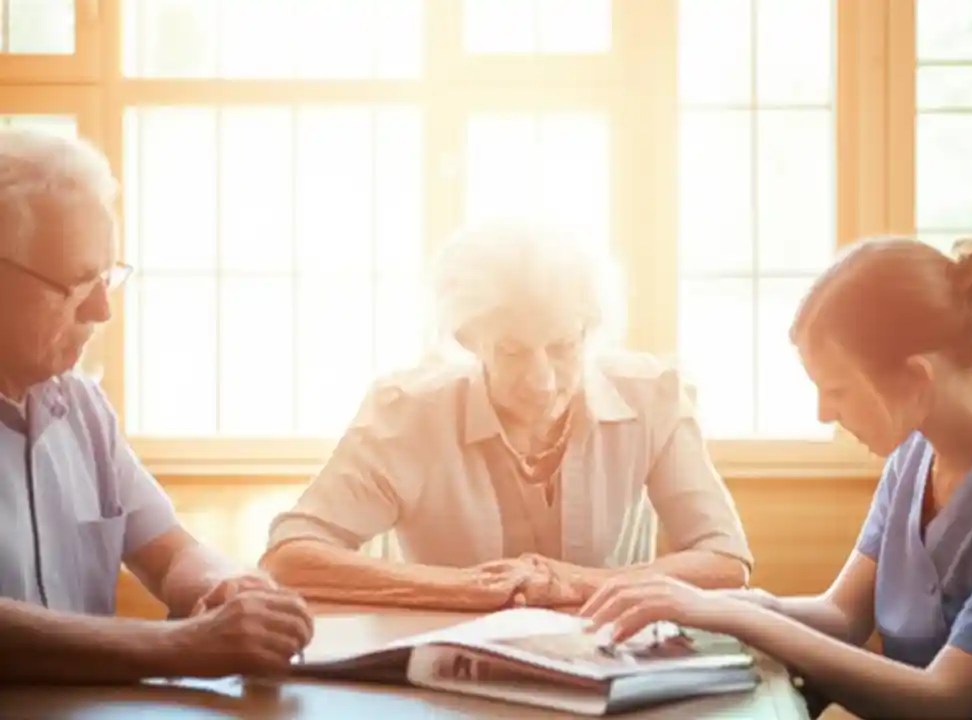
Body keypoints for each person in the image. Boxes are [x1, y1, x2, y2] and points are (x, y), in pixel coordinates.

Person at [582, 237, 972, 718]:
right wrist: (692, 601)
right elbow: (840, 614)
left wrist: (727, 612)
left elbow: (946, 700)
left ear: (916, 376)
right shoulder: (915, 454)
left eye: (837, 390)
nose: (823, 413)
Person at [261, 221, 752, 611]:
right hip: (440, 675)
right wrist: (466, 589)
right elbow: (291, 557)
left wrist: (573, 582)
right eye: (513, 351)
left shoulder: (653, 398)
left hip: (608, 666)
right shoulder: (407, 413)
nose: (542, 380)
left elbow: (725, 561)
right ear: (468, 339)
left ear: (590, 330)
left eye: (562, 347)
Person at [0, 128, 312, 683]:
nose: (101, 311)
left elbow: (168, 552)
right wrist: (179, 644)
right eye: (77, 282)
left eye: (106, 278)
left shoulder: (82, 407)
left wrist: (226, 586)